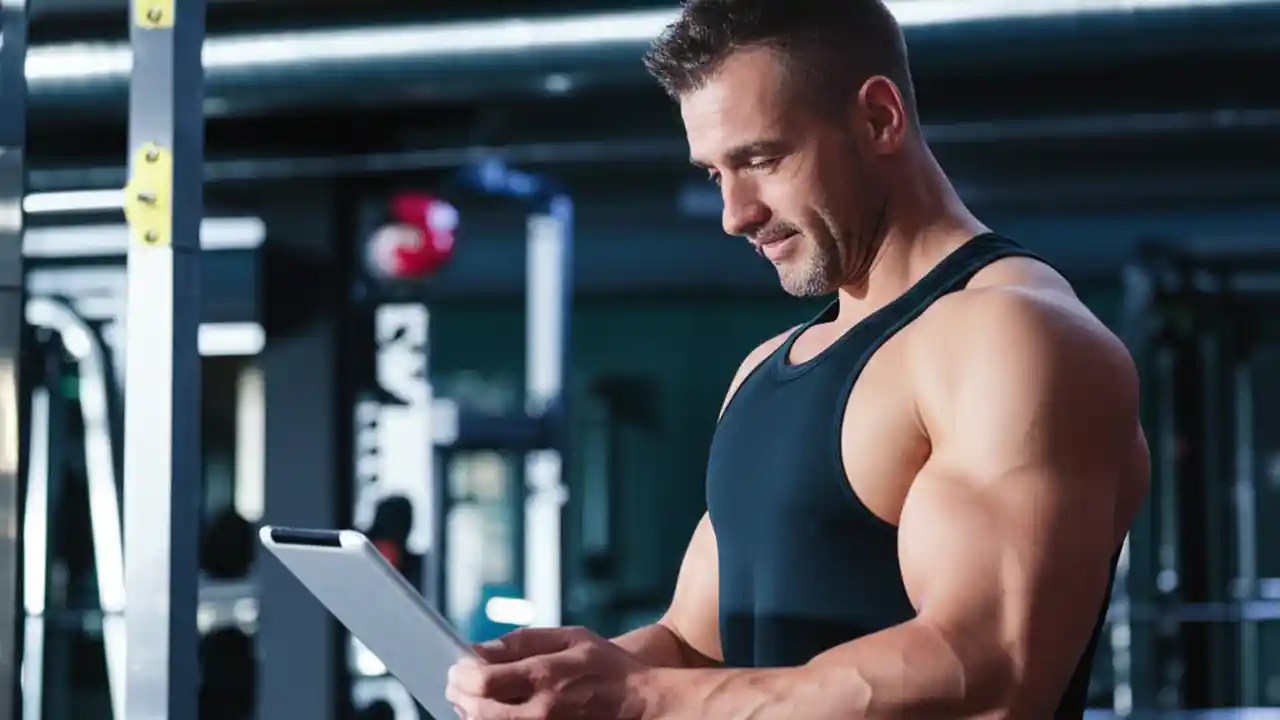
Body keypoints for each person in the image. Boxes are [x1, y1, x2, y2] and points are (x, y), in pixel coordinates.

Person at [446, 0, 1150, 717]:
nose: (735, 213)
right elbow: (694, 647)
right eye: (717, 173)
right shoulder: (763, 370)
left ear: (879, 118)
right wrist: (555, 679)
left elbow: (992, 674)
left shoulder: (1013, 336)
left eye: (761, 159)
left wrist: (641, 698)